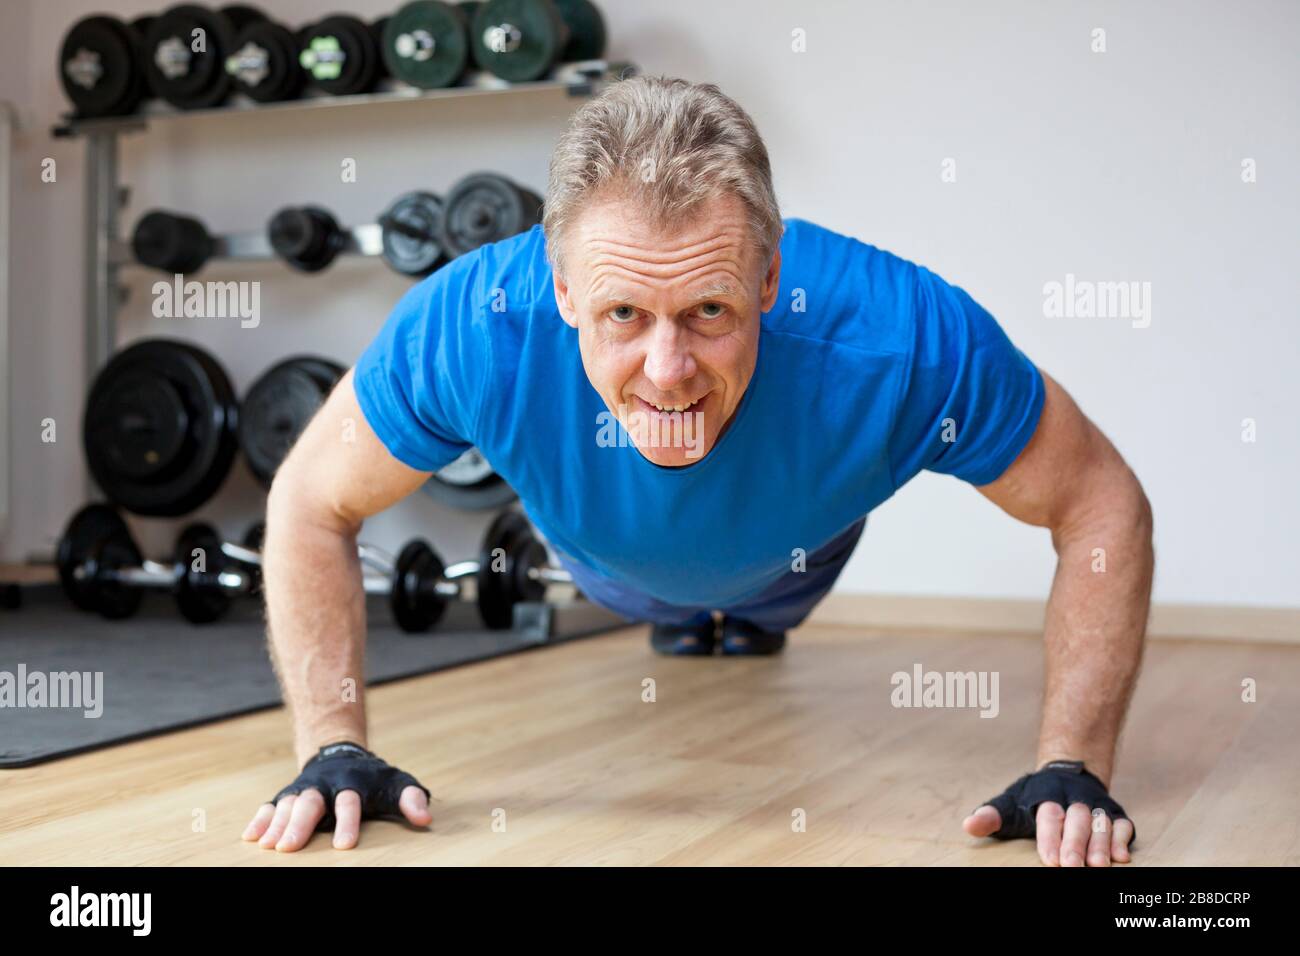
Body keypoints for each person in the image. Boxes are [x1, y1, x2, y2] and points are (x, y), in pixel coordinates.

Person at [243, 76, 1153, 866]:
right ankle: (688, 618)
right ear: (562, 292)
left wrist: (1072, 764)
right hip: (608, 567)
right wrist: (331, 746)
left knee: (758, 608)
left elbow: (1101, 502)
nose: (669, 367)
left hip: (799, 558)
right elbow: (311, 503)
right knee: (669, 611)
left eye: (710, 308)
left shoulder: (901, 335)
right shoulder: (470, 327)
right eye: (625, 314)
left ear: (767, 280)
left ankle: (749, 619)